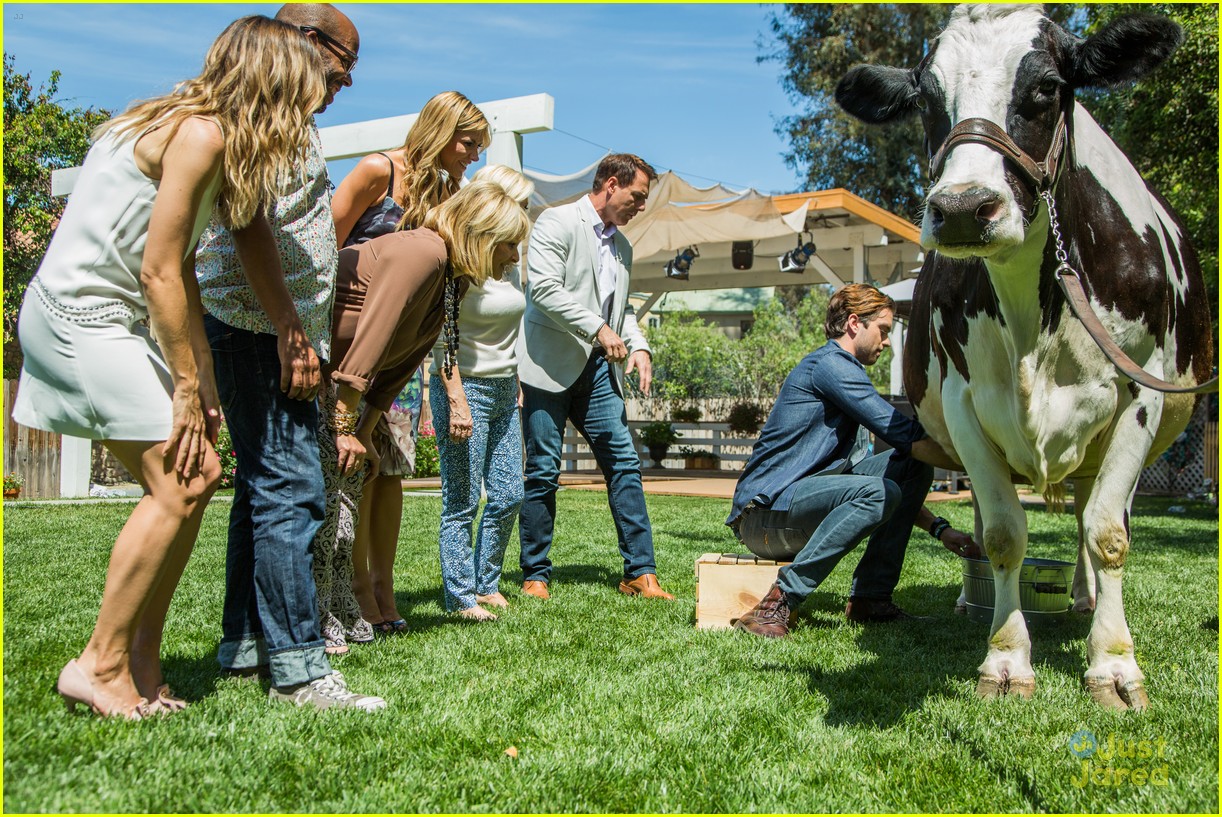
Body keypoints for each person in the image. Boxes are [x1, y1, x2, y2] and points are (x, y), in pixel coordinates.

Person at [12, 15, 325, 719]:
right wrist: (184, 385)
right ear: (271, 83)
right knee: (182, 479)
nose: (306, 109)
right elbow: (156, 271)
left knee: (199, 473)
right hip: (80, 318)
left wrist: (204, 373)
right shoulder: (202, 134)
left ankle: (141, 664)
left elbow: (179, 260)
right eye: (301, 94)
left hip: (105, 318)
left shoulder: (185, 124)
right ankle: (99, 663)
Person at [196, 4, 385, 711]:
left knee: (261, 490)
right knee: (292, 489)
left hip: (267, 328)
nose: (346, 82)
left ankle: (246, 647)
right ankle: (301, 669)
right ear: (306, 43)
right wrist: (289, 327)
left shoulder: (289, 119)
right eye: (342, 65)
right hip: (254, 327)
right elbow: (246, 217)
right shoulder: (261, 112)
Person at [314, 180, 530, 645]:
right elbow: (374, 337)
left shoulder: (450, 277)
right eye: (509, 244)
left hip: (348, 387)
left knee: (344, 496)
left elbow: (400, 360)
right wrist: (343, 424)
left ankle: (338, 610)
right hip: (315, 370)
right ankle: (312, 619)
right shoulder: (425, 253)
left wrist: (367, 432)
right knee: (322, 501)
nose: (514, 257)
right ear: (482, 233)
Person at [727, 283, 979, 639]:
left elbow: (899, 467)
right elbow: (905, 435)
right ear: (854, 323)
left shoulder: (846, 370)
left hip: (797, 505)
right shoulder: (831, 367)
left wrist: (939, 529)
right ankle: (776, 604)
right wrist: (992, 465)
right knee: (888, 482)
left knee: (910, 465)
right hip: (764, 518)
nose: (888, 341)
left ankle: (870, 599)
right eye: (884, 330)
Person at [330, 91, 490, 636]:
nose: (474, 155)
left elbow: (443, 296)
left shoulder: (449, 194)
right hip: (351, 345)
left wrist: (449, 378)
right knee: (348, 473)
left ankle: (382, 587)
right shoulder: (379, 171)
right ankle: (350, 595)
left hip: (397, 357)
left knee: (389, 468)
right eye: (469, 143)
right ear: (441, 130)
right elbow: (323, 246)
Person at [516, 153, 674, 601]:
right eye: (637, 196)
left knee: (624, 463)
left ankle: (640, 572)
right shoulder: (555, 222)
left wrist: (637, 343)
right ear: (610, 184)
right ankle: (536, 575)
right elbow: (544, 289)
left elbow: (619, 310)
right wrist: (599, 329)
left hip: (598, 372)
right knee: (544, 472)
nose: (640, 206)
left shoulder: (623, 247)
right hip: (547, 367)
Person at [430, 165, 533, 621]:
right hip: (463, 388)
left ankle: (487, 583)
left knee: (510, 492)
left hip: (504, 389)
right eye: (520, 206)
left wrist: (515, 383)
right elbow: (441, 339)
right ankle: (461, 596)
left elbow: (508, 333)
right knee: (462, 499)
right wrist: (456, 399)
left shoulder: (506, 266)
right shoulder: (456, 267)